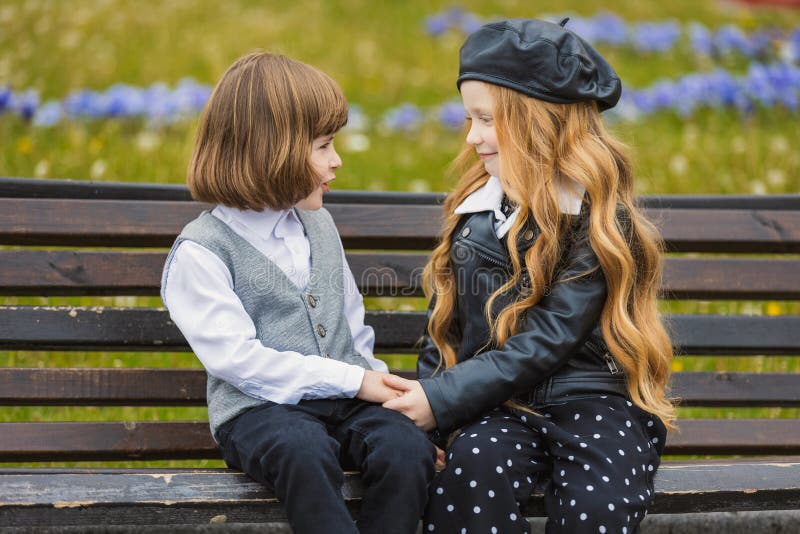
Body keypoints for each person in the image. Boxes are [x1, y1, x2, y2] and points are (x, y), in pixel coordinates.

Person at [382, 19, 674, 534]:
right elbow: (444, 327)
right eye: (469, 119)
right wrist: (433, 410)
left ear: (538, 123)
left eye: (486, 120)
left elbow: (548, 339)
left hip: (592, 400)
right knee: (470, 471)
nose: (472, 136)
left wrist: (442, 398)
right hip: (498, 405)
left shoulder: (597, 221)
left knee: (598, 507)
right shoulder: (476, 212)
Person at [160, 52, 436, 534]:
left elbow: (351, 327)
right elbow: (238, 361)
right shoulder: (202, 252)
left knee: (405, 449)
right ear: (271, 151)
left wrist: (386, 401)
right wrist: (352, 382)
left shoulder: (318, 225)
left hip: (343, 403)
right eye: (324, 146)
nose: (337, 160)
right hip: (258, 412)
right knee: (303, 451)